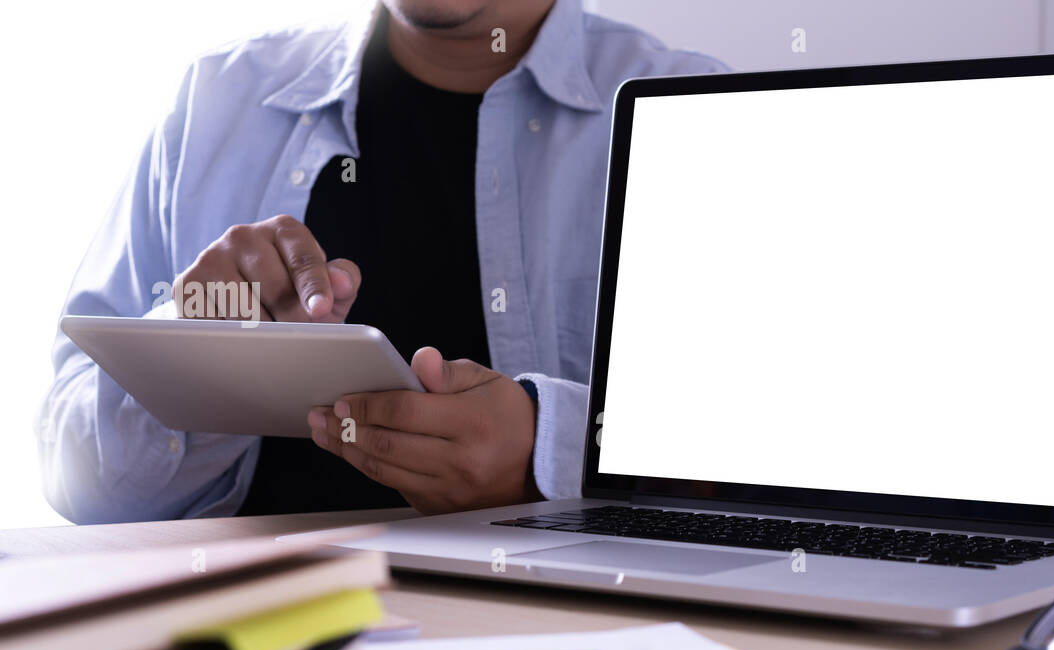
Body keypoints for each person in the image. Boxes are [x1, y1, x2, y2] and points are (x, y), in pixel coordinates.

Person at [40, 0, 725, 522]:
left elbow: (793, 470)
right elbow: (77, 487)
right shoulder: (215, 100)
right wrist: (186, 352)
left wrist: (554, 454)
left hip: (583, 648)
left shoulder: (704, 113)